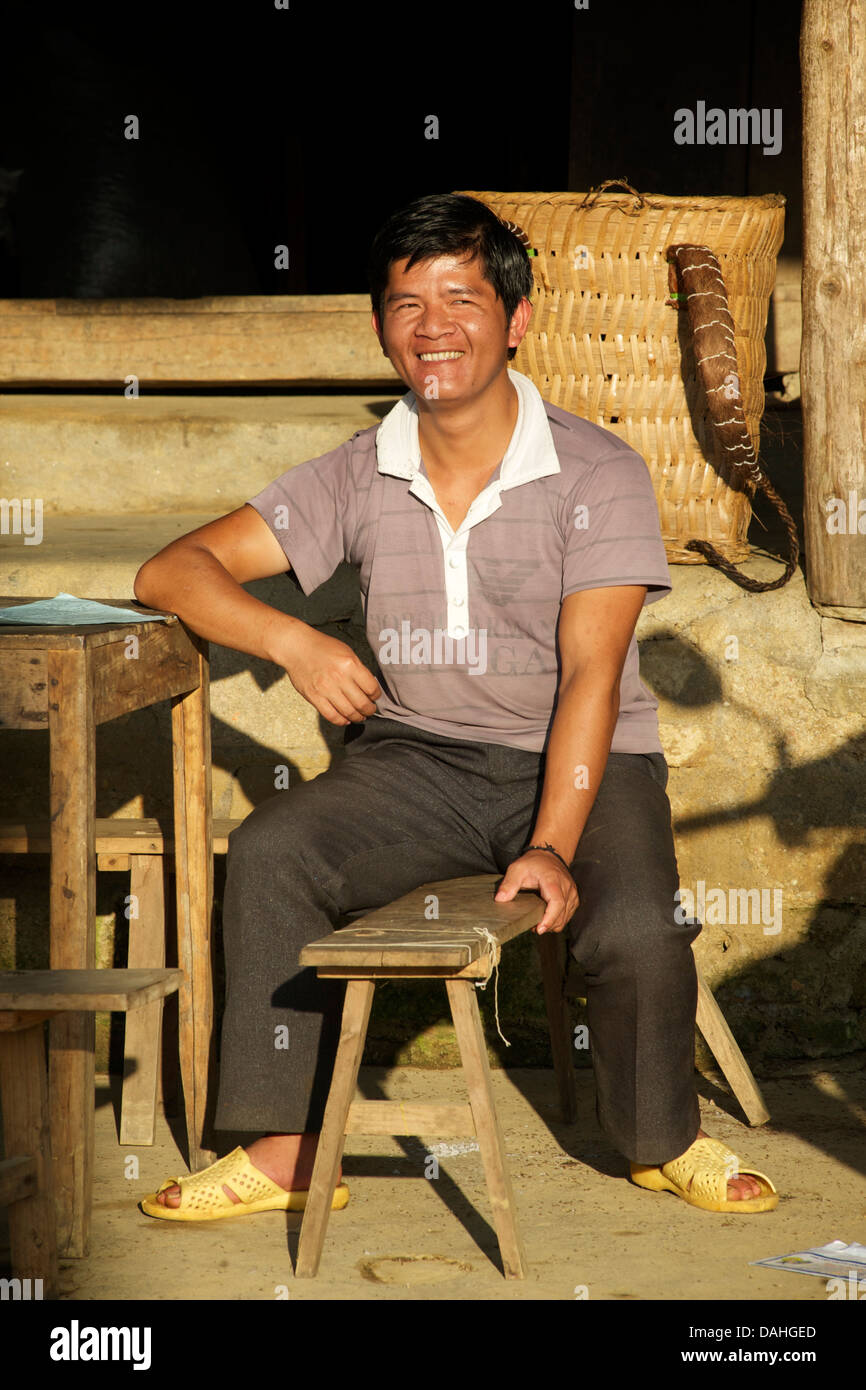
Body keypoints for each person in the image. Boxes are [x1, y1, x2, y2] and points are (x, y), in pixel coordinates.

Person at [135, 193, 778, 1222]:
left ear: (516, 320)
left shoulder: (597, 472)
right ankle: (289, 1144)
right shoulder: (359, 470)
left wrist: (553, 843)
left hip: (583, 757)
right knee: (271, 851)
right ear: (381, 327)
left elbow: (590, 677)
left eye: (459, 298)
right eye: (404, 304)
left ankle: (663, 1137)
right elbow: (173, 570)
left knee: (632, 929)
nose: (431, 327)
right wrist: (292, 639)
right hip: (416, 761)